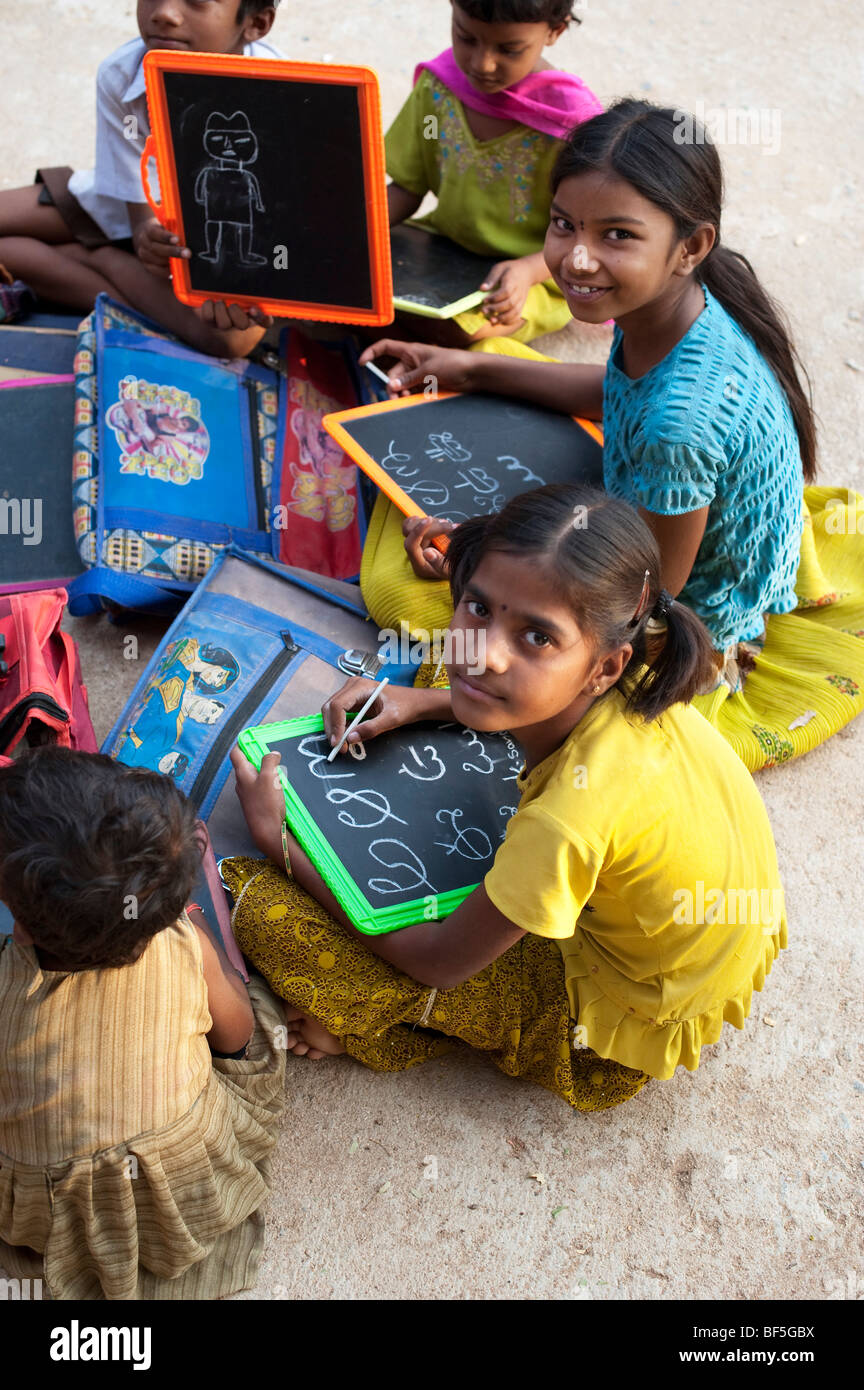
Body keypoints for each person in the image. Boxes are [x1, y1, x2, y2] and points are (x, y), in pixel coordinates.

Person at [223, 486, 787, 1112]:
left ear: (604, 667)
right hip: (686, 936)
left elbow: (438, 962)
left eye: (538, 638)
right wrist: (424, 701)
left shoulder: (567, 820)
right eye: (479, 607)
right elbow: (483, 670)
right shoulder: (642, 675)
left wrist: (279, 844)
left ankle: (380, 1024)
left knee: (257, 909)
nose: (487, 652)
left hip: (611, 1022)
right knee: (449, 677)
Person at [360, 99, 864, 771]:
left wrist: (469, 558)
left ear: (692, 246)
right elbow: (621, 387)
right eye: (564, 225)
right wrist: (472, 367)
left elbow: (646, 603)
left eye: (617, 236)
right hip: (649, 526)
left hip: (688, 630)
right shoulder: (675, 308)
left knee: (418, 588)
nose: (576, 259)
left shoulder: (675, 431)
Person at [0, 749, 285, 1300]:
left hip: (54, 1203)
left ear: (25, 929)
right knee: (252, 1020)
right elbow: (238, 1037)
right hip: (179, 1182)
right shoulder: (180, 941)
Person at [0, 1, 282, 358]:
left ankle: (99, 258)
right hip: (125, 208)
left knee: (231, 340)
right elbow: (140, 214)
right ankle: (103, 261)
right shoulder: (123, 75)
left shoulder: (283, 101)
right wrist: (147, 238)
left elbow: (278, 238)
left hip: (201, 251)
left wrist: (240, 279)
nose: (164, 12)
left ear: (256, 23)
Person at [384, 0, 602, 346]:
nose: (481, 63)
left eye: (510, 49)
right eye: (465, 38)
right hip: (441, 247)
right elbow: (407, 188)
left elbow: (588, 235)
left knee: (458, 330)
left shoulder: (573, 127)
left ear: (555, 31)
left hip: (540, 271)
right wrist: (356, 230)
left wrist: (528, 270)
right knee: (356, 291)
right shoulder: (438, 88)